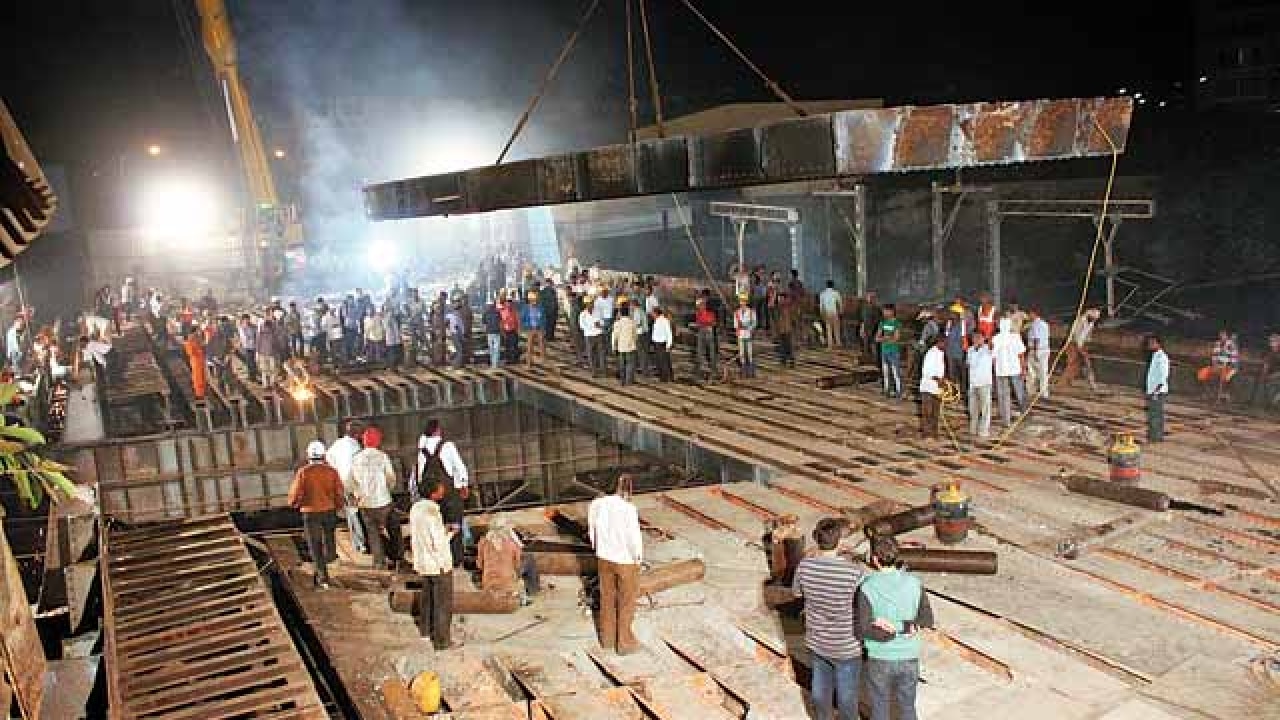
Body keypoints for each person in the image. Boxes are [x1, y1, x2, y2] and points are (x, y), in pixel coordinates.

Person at [792, 517, 864, 720]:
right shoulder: (854, 572)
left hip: (817, 642)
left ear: (816, 539)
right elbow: (863, 604)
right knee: (847, 696)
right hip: (846, 645)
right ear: (840, 541)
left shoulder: (805, 566)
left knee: (821, 691)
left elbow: (797, 593)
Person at [858, 535, 934, 720]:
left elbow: (864, 628)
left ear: (874, 559)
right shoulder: (914, 583)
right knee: (907, 708)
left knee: (879, 707)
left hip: (880, 658)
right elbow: (927, 619)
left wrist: (890, 629)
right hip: (909, 656)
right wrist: (904, 626)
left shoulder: (867, 587)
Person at [588, 474, 643, 655]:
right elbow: (633, 537)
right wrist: (638, 558)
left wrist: (598, 549)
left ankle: (607, 639)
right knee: (626, 601)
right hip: (625, 560)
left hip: (604, 558)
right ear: (620, 488)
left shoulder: (595, 505)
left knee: (607, 599)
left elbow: (591, 531)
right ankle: (624, 643)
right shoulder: (628, 509)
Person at [288, 441, 345, 588]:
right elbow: (339, 492)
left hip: (310, 513)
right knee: (329, 538)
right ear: (324, 455)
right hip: (329, 511)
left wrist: (294, 504)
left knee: (315, 545)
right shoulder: (332, 471)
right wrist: (338, 506)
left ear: (308, 456)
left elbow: (295, 494)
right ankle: (331, 557)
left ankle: (323, 577)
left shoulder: (304, 472)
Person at [416, 419, 471, 561]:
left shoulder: (422, 450)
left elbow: (419, 475)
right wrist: (464, 484)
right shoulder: (447, 446)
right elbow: (459, 467)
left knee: (437, 527)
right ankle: (456, 558)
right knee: (454, 525)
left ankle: (441, 557)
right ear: (437, 430)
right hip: (450, 493)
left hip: (431, 495)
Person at [350, 426, 402, 570]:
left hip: (366, 503)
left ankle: (379, 563)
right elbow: (391, 477)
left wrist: (357, 496)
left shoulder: (356, 458)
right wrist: (387, 490)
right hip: (384, 501)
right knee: (394, 529)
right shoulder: (382, 456)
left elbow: (351, 481)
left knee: (373, 533)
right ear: (378, 441)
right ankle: (398, 558)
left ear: (364, 441)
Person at [409, 496, 456, 650]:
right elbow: (438, 544)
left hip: (423, 562)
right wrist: (450, 534)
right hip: (437, 564)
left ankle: (426, 630)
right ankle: (442, 641)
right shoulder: (432, 513)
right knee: (442, 603)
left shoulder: (416, 509)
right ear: (435, 491)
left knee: (427, 598)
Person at [476, 515, 539, 605]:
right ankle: (533, 590)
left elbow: (479, 565)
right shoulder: (511, 544)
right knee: (529, 558)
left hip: (488, 583)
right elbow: (517, 566)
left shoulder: (482, 542)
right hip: (508, 584)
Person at [326, 421, 367, 553]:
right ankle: (364, 543)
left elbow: (329, 458)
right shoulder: (356, 448)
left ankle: (358, 544)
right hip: (355, 483)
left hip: (343, 483)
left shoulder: (337, 444)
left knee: (352, 514)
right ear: (357, 434)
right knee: (361, 513)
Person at [991, 317, 1027, 427]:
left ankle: (1005, 419)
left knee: (1003, 394)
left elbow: (993, 356)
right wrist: (1023, 368)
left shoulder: (995, 338)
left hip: (1001, 370)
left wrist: (993, 369)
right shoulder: (1015, 337)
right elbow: (1021, 354)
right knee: (1019, 391)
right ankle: (1024, 411)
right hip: (1014, 369)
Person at [1197, 329, 1239, 403]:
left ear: (1226, 336)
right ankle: (1207, 393)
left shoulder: (1231, 345)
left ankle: (1222, 396)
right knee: (1202, 373)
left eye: (1223, 335)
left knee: (1224, 377)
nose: (1221, 337)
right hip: (1217, 366)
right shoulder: (1217, 343)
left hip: (1229, 367)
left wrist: (1226, 365)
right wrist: (1215, 364)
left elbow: (1234, 359)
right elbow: (1214, 356)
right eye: (1220, 335)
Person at [1063, 308, 1101, 391]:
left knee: (1086, 363)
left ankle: (1091, 383)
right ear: (1089, 316)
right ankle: (1066, 381)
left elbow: (1088, 335)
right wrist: (1078, 347)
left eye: (1095, 319)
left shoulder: (1091, 323)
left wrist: (1087, 343)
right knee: (1071, 363)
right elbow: (1074, 334)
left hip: (1081, 344)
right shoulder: (1080, 321)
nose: (1094, 320)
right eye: (1093, 318)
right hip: (1073, 344)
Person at [966, 332, 993, 439]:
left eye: (979, 338)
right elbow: (969, 364)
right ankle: (973, 428)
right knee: (973, 408)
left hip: (984, 383)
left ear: (983, 338)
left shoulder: (988, 349)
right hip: (973, 383)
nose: (976, 340)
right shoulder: (970, 350)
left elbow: (993, 345)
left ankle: (983, 430)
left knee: (985, 408)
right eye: (974, 338)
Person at [920, 334, 947, 440]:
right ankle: (926, 434)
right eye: (944, 342)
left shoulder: (941, 353)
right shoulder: (930, 353)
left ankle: (935, 433)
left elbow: (940, 370)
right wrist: (938, 379)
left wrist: (943, 380)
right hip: (928, 387)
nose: (946, 344)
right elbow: (926, 371)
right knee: (927, 412)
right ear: (939, 342)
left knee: (936, 412)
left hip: (937, 388)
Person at [876, 304, 902, 399]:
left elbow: (896, 338)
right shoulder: (882, 323)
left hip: (893, 351)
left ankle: (899, 391)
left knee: (895, 372)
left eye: (885, 311)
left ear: (891, 311)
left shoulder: (897, 323)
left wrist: (884, 338)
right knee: (885, 372)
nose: (884, 313)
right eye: (883, 311)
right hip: (884, 351)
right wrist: (886, 338)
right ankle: (887, 390)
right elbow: (876, 338)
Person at [1146, 335, 1169, 443]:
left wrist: (1156, 391)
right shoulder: (1155, 355)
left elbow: (1163, 376)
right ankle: (1156, 436)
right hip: (1153, 390)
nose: (1150, 344)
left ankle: (1154, 438)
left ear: (1158, 344)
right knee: (1155, 414)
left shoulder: (1162, 357)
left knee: (1155, 415)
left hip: (1158, 392)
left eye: (1152, 343)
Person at [1025, 308, 1051, 399]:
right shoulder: (1045, 324)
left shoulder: (1035, 325)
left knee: (1032, 372)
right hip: (1045, 350)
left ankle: (1031, 391)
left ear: (1034, 314)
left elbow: (1037, 339)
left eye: (1030, 314)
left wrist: (1035, 352)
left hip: (1036, 350)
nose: (1029, 316)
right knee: (1043, 372)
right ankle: (1044, 392)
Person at [612, 297, 638, 385]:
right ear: (628, 313)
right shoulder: (632, 322)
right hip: (631, 346)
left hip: (621, 347)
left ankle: (622, 380)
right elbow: (635, 335)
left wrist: (613, 346)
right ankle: (629, 381)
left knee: (622, 364)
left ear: (621, 314)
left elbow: (614, 336)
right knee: (630, 364)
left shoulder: (617, 323)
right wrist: (634, 342)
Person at [733, 291, 758, 378]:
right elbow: (736, 324)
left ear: (746, 301)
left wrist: (749, 328)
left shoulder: (751, 312)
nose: (742, 303)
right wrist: (737, 330)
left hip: (748, 334)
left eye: (743, 301)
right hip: (741, 334)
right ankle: (743, 370)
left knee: (750, 352)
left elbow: (754, 323)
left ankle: (751, 370)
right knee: (742, 353)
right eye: (741, 301)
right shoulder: (737, 312)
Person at [693, 297, 718, 382]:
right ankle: (700, 371)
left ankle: (713, 370)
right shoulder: (698, 314)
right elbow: (698, 322)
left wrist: (706, 324)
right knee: (699, 352)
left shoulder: (710, 313)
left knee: (711, 352)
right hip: (701, 332)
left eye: (700, 306)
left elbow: (713, 323)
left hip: (708, 332)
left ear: (703, 306)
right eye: (698, 306)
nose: (699, 308)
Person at [580, 297, 605, 377]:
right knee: (591, 354)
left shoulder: (598, 311)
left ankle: (603, 370)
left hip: (598, 335)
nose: (591, 305)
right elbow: (582, 326)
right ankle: (594, 372)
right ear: (586, 304)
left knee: (601, 353)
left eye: (592, 303)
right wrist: (593, 325)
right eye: (589, 303)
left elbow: (602, 321)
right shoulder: (582, 314)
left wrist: (600, 324)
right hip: (589, 336)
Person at [522, 291, 545, 368]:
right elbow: (523, 319)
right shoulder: (526, 308)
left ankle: (543, 361)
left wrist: (543, 328)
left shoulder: (540, 308)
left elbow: (544, 318)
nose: (534, 302)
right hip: (530, 329)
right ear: (530, 301)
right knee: (529, 347)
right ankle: (529, 363)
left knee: (541, 345)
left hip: (539, 329)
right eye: (533, 301)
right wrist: (526, 327)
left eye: (535, 301)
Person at [650, 307, 674, 382]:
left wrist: (668, 345)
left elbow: (669, 333)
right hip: (656, 343)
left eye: (653, 313)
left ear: (656, 313)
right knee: (659, 361)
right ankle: (663, 376)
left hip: (662, 343)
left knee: (663, 361)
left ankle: (665, 377)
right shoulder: (656, 320)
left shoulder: (664, 320)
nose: (652, 314)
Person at [775, 292, 797, 368]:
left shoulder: (788, 307)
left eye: (780, 298)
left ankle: (791, 361)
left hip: (787, 329)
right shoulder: (779, 307)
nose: (779, 300)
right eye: (779, 298)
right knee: (782, 346)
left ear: (784, 298)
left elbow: (793, 318)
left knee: (788, 346)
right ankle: (784, 361)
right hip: (782, 329)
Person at [182, 332, 207, 401]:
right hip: (195, 361)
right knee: (197, 377)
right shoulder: (188, 343)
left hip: (199, 361)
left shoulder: (195, 341)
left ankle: (202, 392)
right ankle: (199, 394)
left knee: (202, 377)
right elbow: (191, 353)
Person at [819, 281, 843, 350]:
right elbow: (840, 303)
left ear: (826, 285)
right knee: (836, 328)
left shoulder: (822, 294)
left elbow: (821, 306)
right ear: (833, 285)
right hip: (834, 312)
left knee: (828, 329)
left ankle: (830, 345)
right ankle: (838, 343)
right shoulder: (836, 293)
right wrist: (840, 312)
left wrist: (822, 314)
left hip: (827, 313)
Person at [860, 291, 882, 363]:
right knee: (865, 345)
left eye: (872, 297)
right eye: (868, 297)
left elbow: (878, 321)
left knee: (874, 346)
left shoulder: (877, 309)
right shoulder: (864, 308)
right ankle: (867, 359)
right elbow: (863, 320)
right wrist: (862, 329)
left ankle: (876, 361)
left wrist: (876, 331)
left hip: (873, 329)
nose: (870, 299)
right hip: (866, 329)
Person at [482, 300, 502, 369]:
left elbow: (484, 324)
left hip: (490, 332)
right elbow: (500, 323)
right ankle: (495, 363)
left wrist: (485, 331)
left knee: (491, 348)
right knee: (496, 348)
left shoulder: (485, 313)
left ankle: (493, 363)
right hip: (496, 332)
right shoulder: (497, 312)